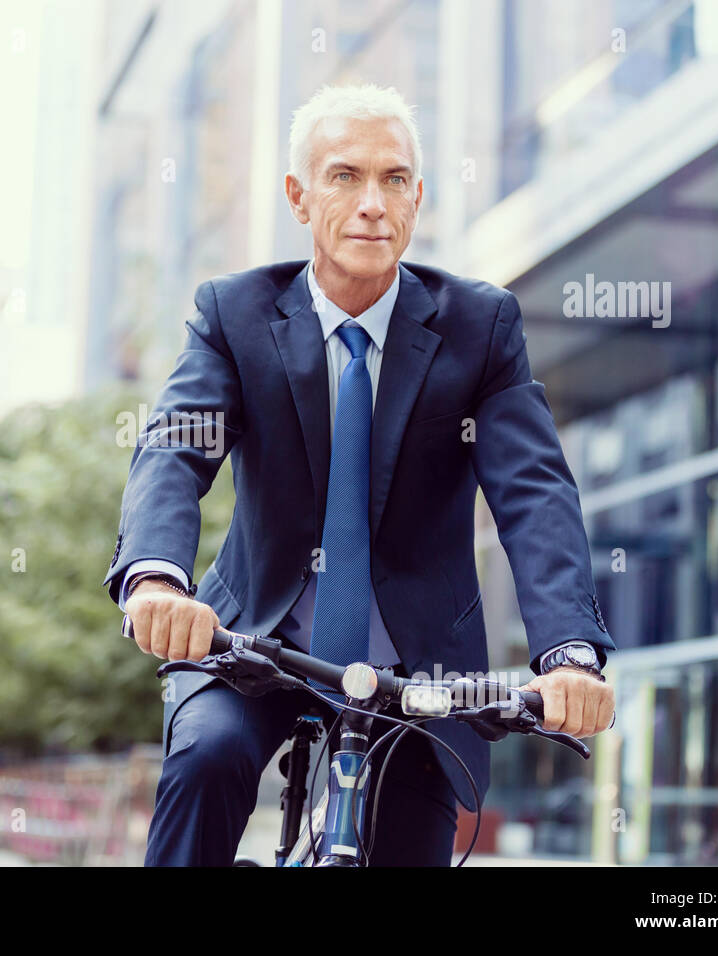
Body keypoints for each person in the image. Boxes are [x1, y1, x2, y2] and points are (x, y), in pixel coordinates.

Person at [103, 83, 616, 867]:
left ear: (419, 198)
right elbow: (176, 447)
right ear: (299, 197)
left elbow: (535, 494)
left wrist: (570, 654)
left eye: (395, 179)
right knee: (207, 761)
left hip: (420, 671)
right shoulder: (234, 314)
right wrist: (156, 579)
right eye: (345, 176)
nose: (373, 202)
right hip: (258, 648)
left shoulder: (481, 328)